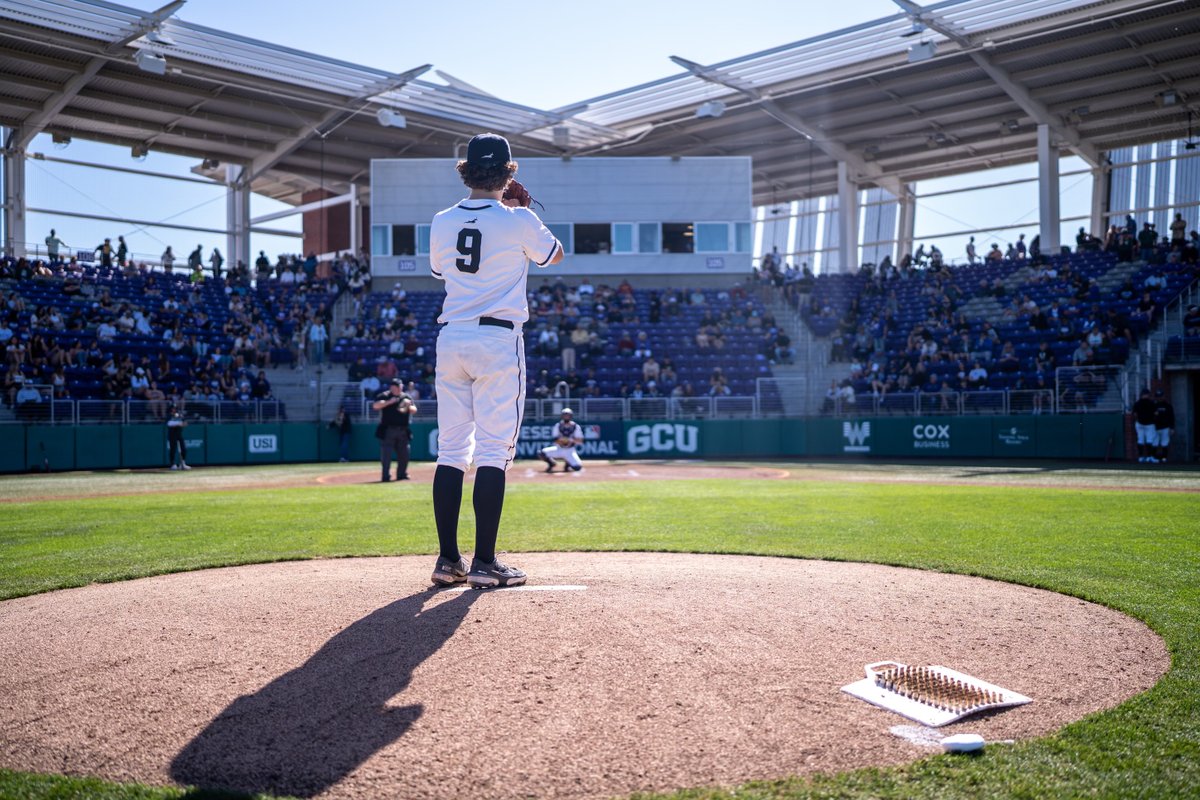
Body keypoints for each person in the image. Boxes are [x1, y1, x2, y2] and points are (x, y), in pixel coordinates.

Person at [427, 132, 564, 590]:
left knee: (450, 451)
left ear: (466, 170)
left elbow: (440, 270)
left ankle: (448, 560)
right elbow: (554, 256)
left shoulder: (442, 220)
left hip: (452, 337)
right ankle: (485, 562)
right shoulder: (519, 218)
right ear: (508, 172)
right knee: (491, 452)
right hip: (498, 339)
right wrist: (518, 210)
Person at [372, 377, 416, 481]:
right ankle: (385, 476)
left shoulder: (406, 397)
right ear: (392, 387)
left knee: (404, 453)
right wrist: (389, 402)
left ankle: (402, 474)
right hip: (388, 430)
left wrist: (408, 406)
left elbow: (414, 410)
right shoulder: (385, 395)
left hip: (403, 430)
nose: (399, 388)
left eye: (400, 386)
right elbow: (375, 406)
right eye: (396, 386)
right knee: (386, 455)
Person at [538, 407, 584, 473]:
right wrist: (562, 440)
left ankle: (568, 464)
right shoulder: (558, 425)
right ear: (562, 416)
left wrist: (570, 440)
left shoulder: (575, 426)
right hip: (559, 448)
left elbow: (580, 441)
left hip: (570, 451)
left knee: (577, 467)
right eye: (565, 415)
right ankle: (552, 464)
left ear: (571, 416)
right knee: (541, 453)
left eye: (568, 415)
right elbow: (555, 439)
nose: (566, 417)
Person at [1132, 389, 1157, 463]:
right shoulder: (1152, 403)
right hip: (1149, 424)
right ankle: (1149, 457)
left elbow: (1135, 414)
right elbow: (1156, 414)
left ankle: (1141, 457)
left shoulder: (1137, 403)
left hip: (1140, 423)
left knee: (1141, 440)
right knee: (1149, 440)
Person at [1152, 389, 1175, 464]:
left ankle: (1164, 458)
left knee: (1164, 443)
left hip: (1165, 427)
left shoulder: (1168, 406)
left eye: (1161, 396)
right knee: (1155, 442)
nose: (1159, 398)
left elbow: (1171, 417)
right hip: (1155, 427)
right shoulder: (1153, 405)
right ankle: (1155, 457)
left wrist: (1172, 427)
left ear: (1163, 396)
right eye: (1158, 397)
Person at [166, 405, 191, 470]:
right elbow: (169, 423)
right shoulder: (169, 416)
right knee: (173, 449)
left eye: (175, 409)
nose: (174, 410)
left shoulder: (180, 415)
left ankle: (182, 464)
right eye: (173, 409)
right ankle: (172, 464)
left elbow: (185, 422)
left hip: (179, 434)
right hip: (172, 435)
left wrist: (182, 423)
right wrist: (179, 423)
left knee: (183, 449)